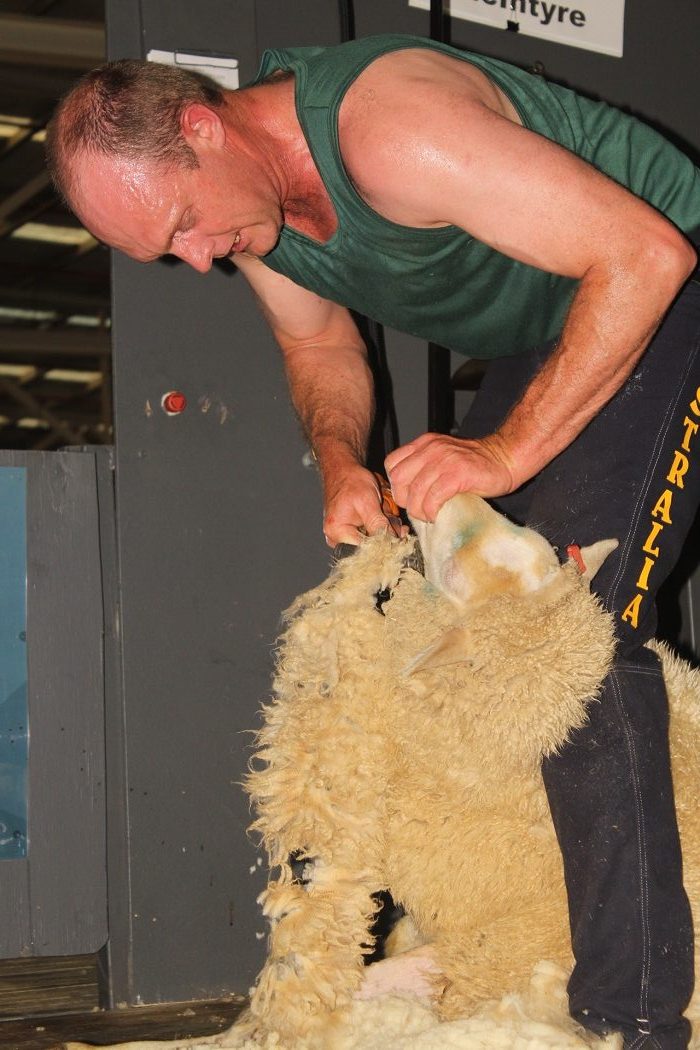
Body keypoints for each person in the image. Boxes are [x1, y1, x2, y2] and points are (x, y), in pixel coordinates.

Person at [46, 34, 700, 1047]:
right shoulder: (254, 217)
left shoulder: (391, 135)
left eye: (182, 225)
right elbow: (318, 344)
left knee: (565, 635)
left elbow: (648, 255)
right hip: (564, 315)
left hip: (665, 282)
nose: (197, 259)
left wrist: (504, 451)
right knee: (477, 638)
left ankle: (636, 1018)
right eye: (162, 255)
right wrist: (342, 457)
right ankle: (523, 939)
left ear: (201, 126)